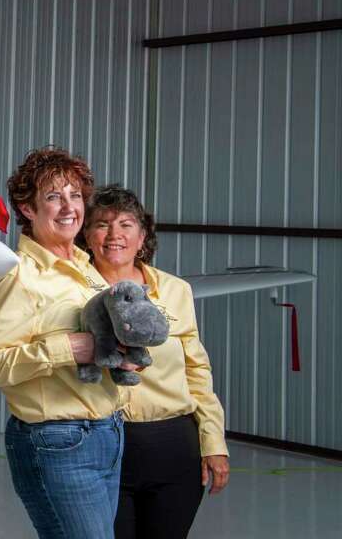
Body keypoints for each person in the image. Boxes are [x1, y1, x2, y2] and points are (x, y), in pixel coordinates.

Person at [0, 146, 129, 539]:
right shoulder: (17, 276)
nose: (68, 207)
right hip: (58, 440)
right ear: (27, 208)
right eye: (53, 197)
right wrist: (70, 349)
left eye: (75, 195)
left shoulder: (86, 267)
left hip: (108, 431)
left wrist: (121, 355)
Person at [82, 185, 229, 539]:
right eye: (102, 224)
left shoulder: (176, 290)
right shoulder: (71, 289)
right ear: (86, 234)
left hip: (174, 443)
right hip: (101, 442)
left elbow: (197, 370)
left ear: (142, 234)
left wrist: (213, 443)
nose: (115, 234)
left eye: (126, 224)